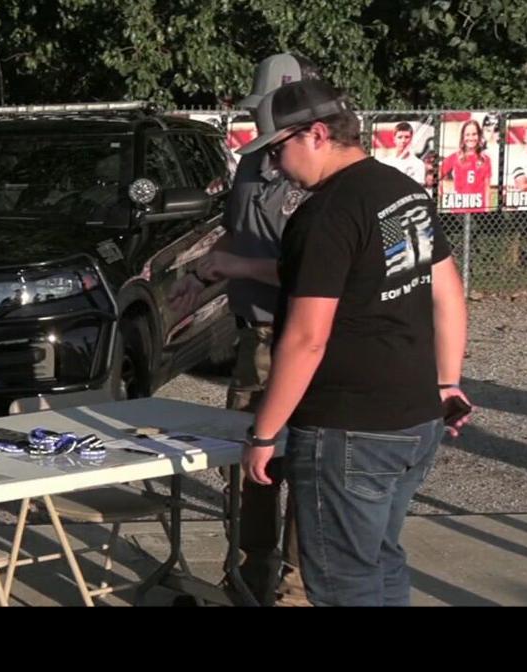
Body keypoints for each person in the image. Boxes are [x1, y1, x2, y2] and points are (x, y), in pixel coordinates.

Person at [236, 79, 471, 606]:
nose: (275, 166)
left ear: (316, 135)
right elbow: (448, 293)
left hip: (349, 429)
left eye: (277, 150)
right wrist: (446, 382)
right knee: (381, 562)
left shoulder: (325, 215)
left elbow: (306, 339)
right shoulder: (402, 191)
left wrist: (264, 433)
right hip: (414, 418)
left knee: (346, 583)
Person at [180, 53, 321, 607]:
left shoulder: (320, 178)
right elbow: (236, 232)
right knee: (249, 467)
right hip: (254, 337)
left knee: (304, 469)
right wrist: (200, 274)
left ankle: (296, 588)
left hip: (301, 338)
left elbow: (310, 270)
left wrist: (234, 266)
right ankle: (246, 577)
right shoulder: (252, 163)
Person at [439, 119, 492, 212]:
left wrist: (487, 211)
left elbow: (487, 188)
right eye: (467, 135)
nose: (471, 138)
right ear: (462, 137)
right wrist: (442, 193)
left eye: (474, 134)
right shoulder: (455, 157)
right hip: (459, 210)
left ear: (479, 136)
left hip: (478, 210)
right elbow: (438, 174)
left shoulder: (485, 159)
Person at [377, 121, 426, 186]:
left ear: (411, 139)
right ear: (394, 139)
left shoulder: (418, 164)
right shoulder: (385, 163)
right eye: (400, 137)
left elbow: (417, 188)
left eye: (407, 137)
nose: (403, 141)